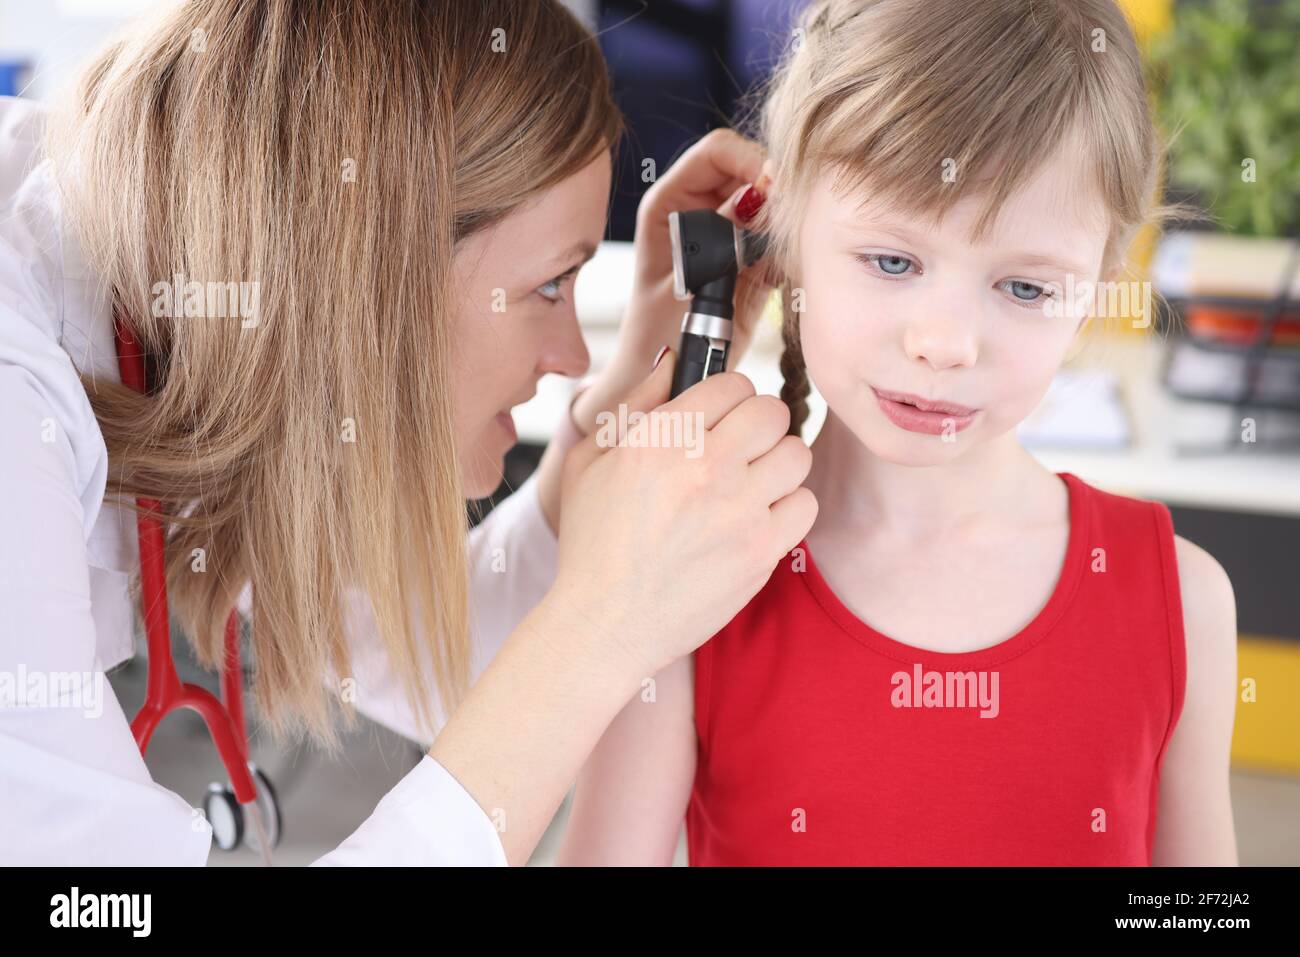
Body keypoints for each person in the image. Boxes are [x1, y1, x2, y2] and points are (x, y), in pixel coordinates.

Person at [0, 0, 816, 865]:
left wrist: (625, 398)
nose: (573, 355)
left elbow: (446, 668)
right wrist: (603, 623)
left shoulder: (201, 313)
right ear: (369, 273)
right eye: (550, 285)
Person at [557, 0, 1239, 866]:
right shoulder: (682, 584)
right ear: (785, 232)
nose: (945, 344)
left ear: (1101, 283)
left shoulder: (1183, 602)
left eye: (1026, 289)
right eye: (893, 261)